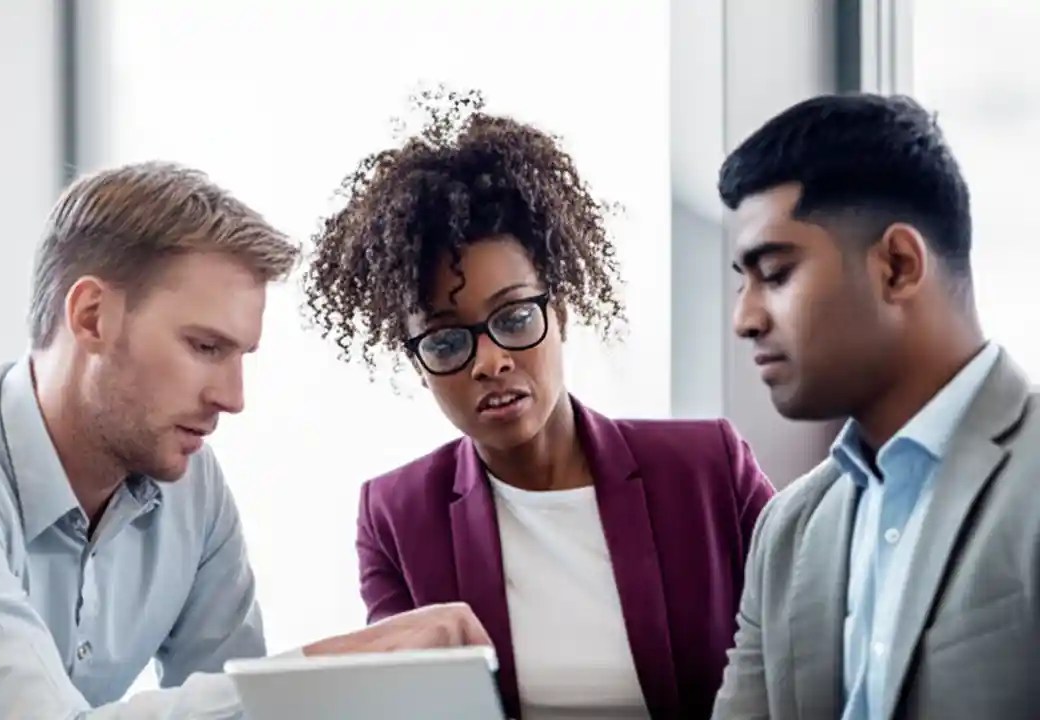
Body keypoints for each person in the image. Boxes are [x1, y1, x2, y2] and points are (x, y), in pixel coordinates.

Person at [0, 162, 492, 720]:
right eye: (205, 347)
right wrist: (337, 663)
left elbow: (240, 710)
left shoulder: (190, 488)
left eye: (241, 356)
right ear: (91, 317)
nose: (233, 398)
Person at [301, 90, 775, 720]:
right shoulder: (396, 516)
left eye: (515, 316)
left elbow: (809, 651)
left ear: (562, 314)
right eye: (446, 340)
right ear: (419, 363)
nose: (490, 361)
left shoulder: (706, 468)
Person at [712, 93, 1040, 720]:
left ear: (897, 266)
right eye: (742, 282)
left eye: (775, 274)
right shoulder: (787, 530)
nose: (745, 319)